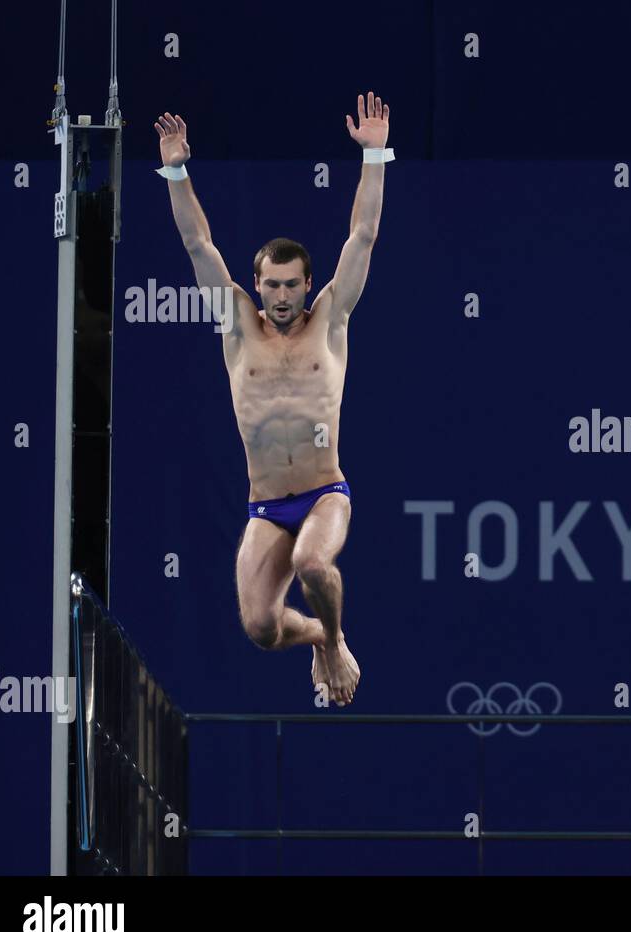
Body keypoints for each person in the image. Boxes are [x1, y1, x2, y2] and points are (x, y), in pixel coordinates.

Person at [154, 92, 394, 706]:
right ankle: (315, 634)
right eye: (270, 285)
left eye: (292, 285)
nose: (281, 296)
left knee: (314, 566)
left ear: (308, 285)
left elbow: (362, 236)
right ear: (255, 283)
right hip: (265, 505)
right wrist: (177, 170)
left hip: (324, 494)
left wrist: (374, 157)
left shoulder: (330, 322)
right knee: (260, 627)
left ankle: (335, 643)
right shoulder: (237, 326)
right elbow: (197, 246)